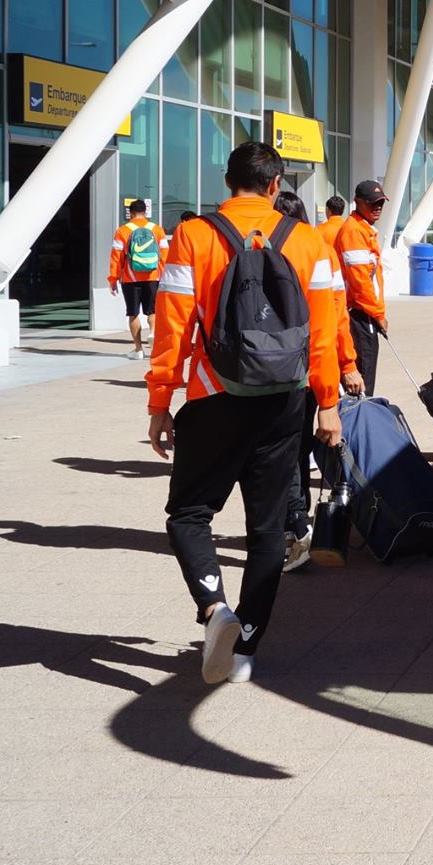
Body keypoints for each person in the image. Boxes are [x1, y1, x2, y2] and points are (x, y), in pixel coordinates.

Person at [147, 142, 343, 685]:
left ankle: (215, 609)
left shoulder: (194, 235)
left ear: (227, 181)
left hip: (213, 397)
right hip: (285, 400)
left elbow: (172, 326)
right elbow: (323, 336)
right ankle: (246, 650)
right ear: (276, 184)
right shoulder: (308, 241)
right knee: (267, 528)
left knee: (189, 514)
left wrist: (160, 402)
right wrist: (328, 404)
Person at [274, 190, 366, 571]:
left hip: (271, 368)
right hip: (312, 366)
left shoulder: (264, 248)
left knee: (281, 452)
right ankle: (296, 523)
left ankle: (294, 526)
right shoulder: (320, 250)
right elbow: (337, 318)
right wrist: (347, 364)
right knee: (294, 449)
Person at [331, 178, 390, 393]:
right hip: (359, 316)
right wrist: (379, 314)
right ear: (357, 201)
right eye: (372, 203)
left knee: (365, 377)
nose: (378, 208)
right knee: (362, 382)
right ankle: (358, 424)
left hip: (364, 315)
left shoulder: (363, 229)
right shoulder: (354, 231)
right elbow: (360, 282)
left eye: (381, 203)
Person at [108, 198, 164, 360]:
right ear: (145, 212)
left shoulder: (123, 230)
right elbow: (164, 255)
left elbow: (116, 257)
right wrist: (163, 274)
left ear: (130, 213)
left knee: (133, 313)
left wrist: (113, 278)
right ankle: (152, 333)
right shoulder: (157, 229)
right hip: (153, 276)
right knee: (152, 310)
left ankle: (138, 350)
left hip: (130, 278)